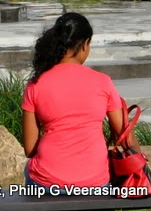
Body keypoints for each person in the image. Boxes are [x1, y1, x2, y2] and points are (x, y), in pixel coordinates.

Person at [22, 12, 139, 190]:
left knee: (30, 171)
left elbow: (30, 149)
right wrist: (140, 164)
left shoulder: (35, 84)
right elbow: (126, 138)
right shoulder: (103, 82)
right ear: (84, 45)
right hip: (95, 182)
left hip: (47, 181)